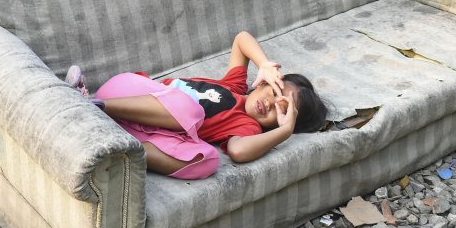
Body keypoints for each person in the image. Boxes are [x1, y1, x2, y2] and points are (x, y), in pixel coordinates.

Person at [67, 31, 327, 179]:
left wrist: (284, 131)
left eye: (281, 109)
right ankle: (92, 106)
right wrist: (264, 63)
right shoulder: (235, 86)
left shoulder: (247, 127)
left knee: (208, 161)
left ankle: (121, 153)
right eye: (274, 91)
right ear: (263, 82)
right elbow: (241, 39)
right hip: (127, 93)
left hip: (141, 134)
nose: (270, 104)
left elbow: (237, 151)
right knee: (191, 109)